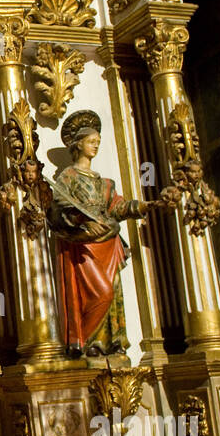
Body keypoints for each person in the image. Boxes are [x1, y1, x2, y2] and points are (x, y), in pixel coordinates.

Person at [48, 109, 151, 357]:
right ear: (78, 144)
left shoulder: (105, 183)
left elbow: (116, 207)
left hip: (109, 244)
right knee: (97, 293)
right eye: (91, 142)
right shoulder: (68, 178)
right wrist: (82, 225)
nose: (95, 146)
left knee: (113, 291)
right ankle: (89, 340)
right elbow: (58, 211)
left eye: (98, 142)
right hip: (85, 248)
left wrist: (142, 206)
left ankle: (112, 341)